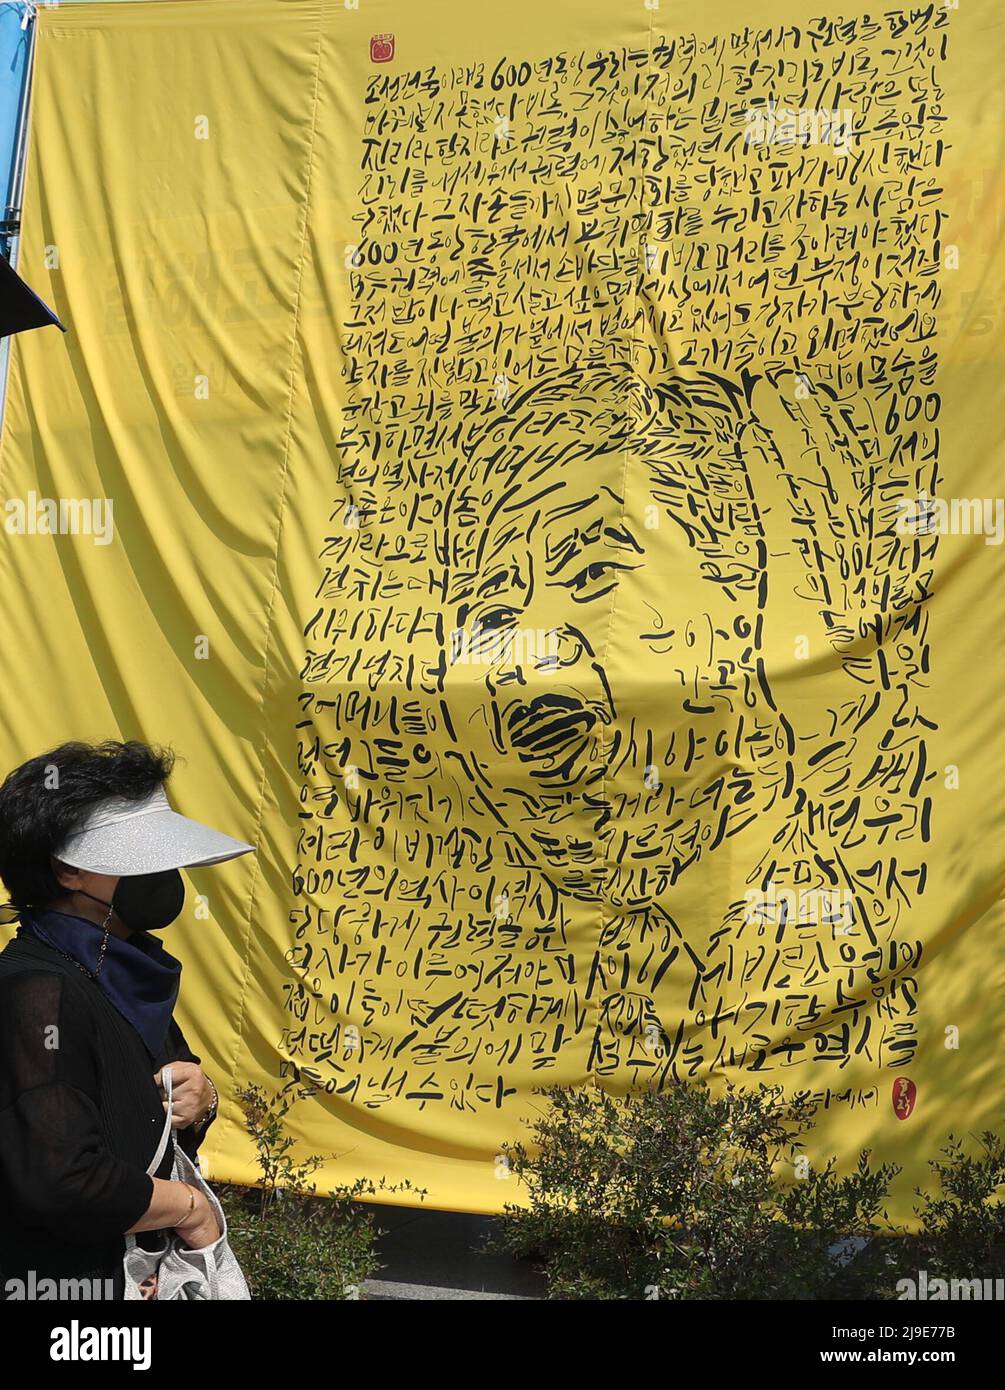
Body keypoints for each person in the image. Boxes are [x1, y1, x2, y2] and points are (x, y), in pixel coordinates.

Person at [0, 739, 253, 1301]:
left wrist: (200, 1098)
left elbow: (144, 1115)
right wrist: (190, 1210)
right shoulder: (38, 991)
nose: (165, 873)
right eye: (143, 858)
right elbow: (62, 1179)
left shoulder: (121, 967)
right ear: (68, 870)